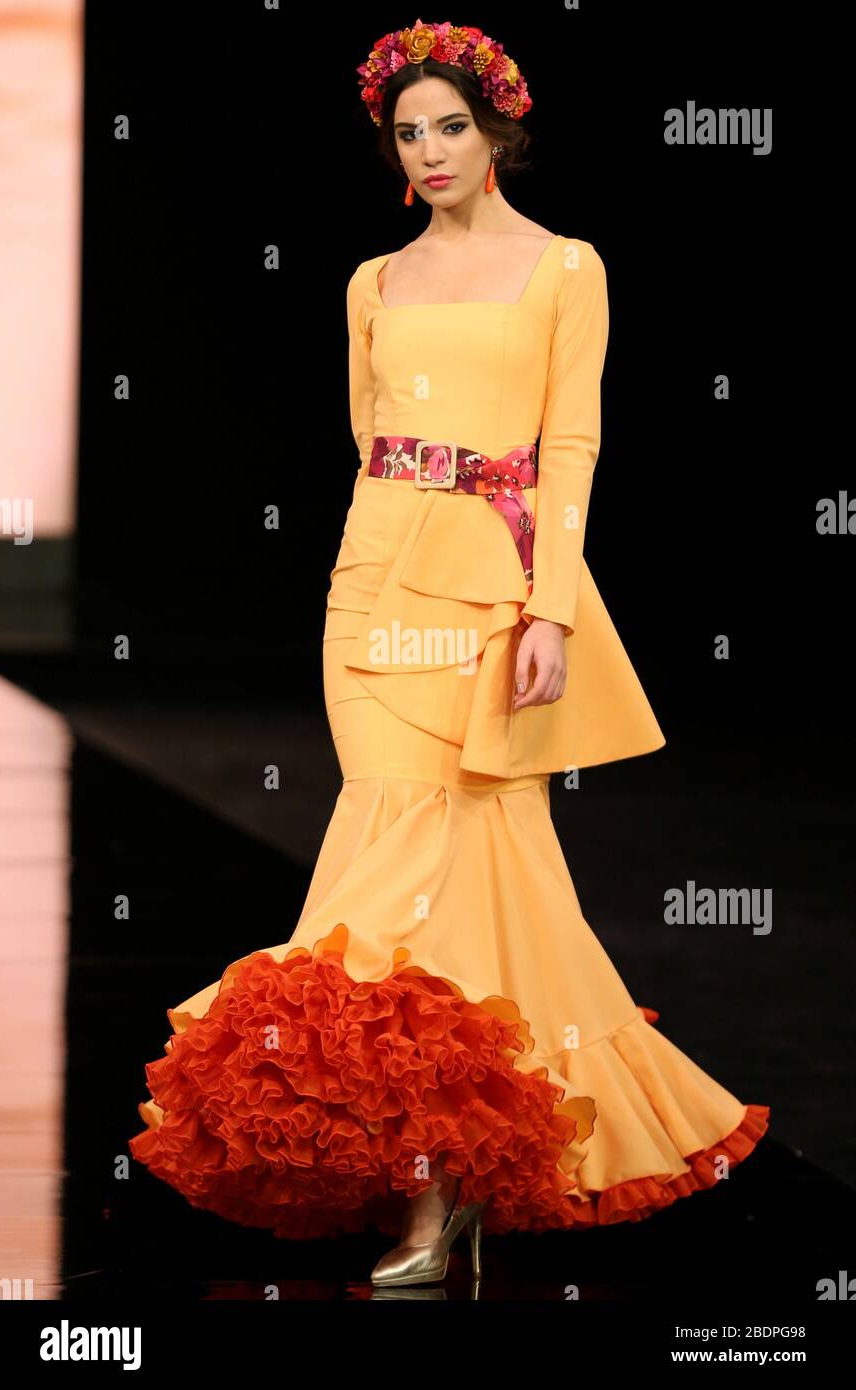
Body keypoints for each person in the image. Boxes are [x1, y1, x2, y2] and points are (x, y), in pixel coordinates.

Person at [128, 19, 770, 1289]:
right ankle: (426, 1177)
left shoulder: (562, 268)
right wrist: (366, 575)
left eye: (450, 128)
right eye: (408, 132)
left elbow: (569, 448)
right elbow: (368, 445)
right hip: (371, 586)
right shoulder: (371, 283)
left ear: (498, 134)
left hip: (494, 591)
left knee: (468, 870)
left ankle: (441, 1183)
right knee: (384, 843)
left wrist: (552, 611)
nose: (428, 152)